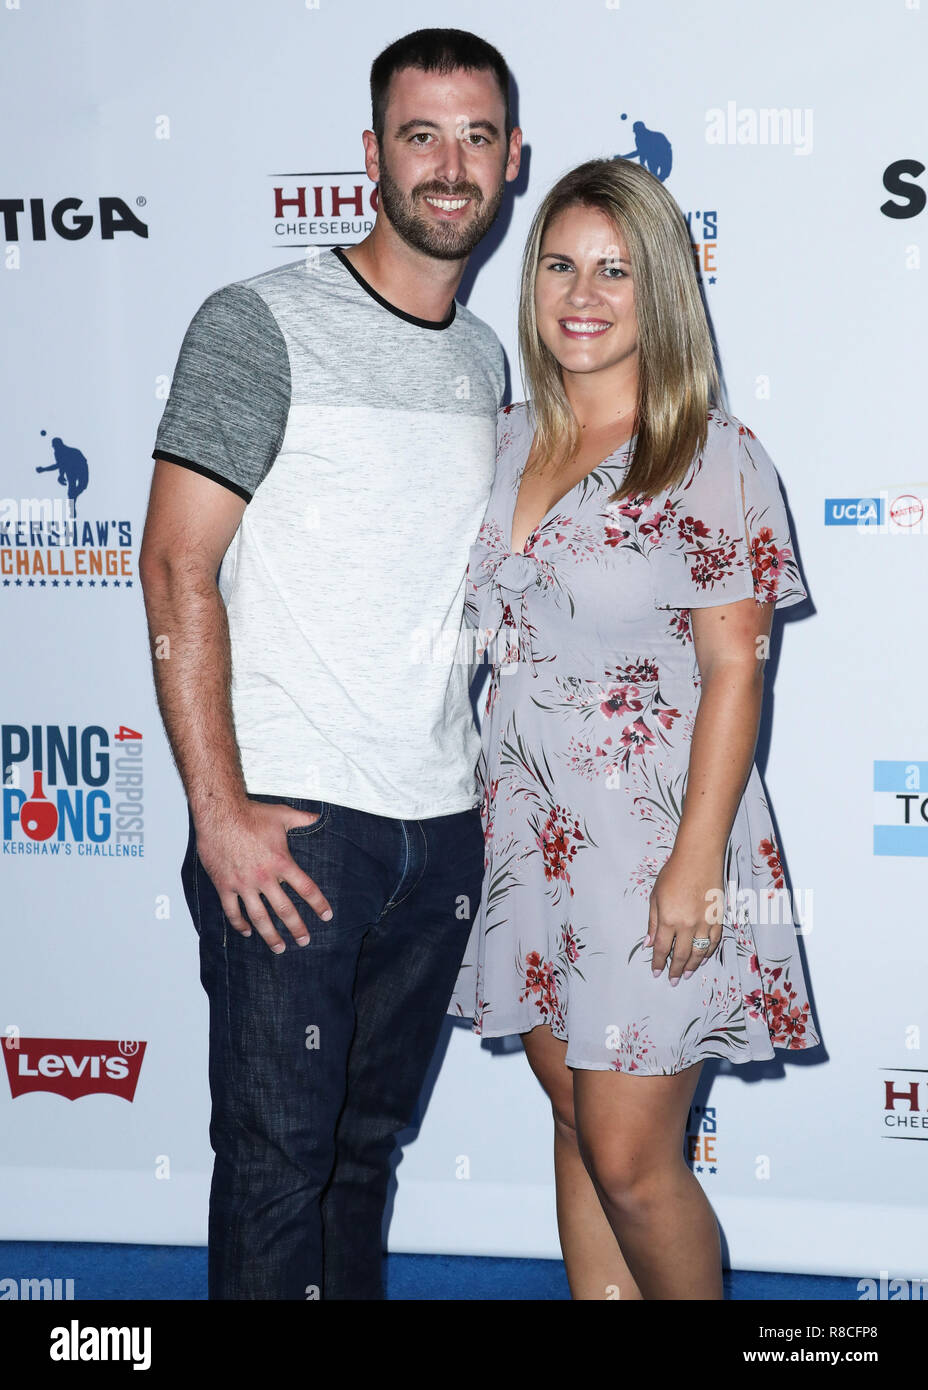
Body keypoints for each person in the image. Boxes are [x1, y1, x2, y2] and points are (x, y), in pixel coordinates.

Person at [139, 27, 521, 1300]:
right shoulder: (260, 322)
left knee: (361, 1163)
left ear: (512, 160)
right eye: (422, 135)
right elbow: (173, 567)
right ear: (372, 156)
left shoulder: (484, 362)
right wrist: (221, 816)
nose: (449, 165)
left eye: (475, 136)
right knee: (275, 1165)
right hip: (296, 828)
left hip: (437, 832)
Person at [449, 157, 821, 1300]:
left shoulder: (712, 456)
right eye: (560, 263)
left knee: (630, 1155)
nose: (582, 291)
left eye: (615, 269)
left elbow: (734, 670)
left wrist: (696, 861)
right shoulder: (496, 439)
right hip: (527, 842)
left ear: (659, 286)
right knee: (574, 1120)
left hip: (656, 843)